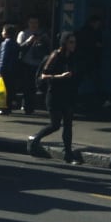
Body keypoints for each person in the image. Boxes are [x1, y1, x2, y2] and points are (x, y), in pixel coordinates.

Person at [29, 32, 82, 163]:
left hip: (68, 94)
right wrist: (60, 76)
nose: (73, 45)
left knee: (68, 124)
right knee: (55, 125)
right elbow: (43, 76)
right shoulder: (55, 56)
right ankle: (34, 139)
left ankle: (68, 154)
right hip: (54, 95)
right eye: (71, 42)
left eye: (74, 42)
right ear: (64, 43)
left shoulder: (73, 57)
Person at [16, 16, 50, 114]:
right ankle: (26, 105)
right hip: (26, 63)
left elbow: (48, 48)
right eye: (32, 22)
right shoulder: (23, 33)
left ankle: (32, 105)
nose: (34, 25)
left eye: (36, 22)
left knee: (35, 86)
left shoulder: (43, 34)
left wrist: (42, 42)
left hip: (38, 64)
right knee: (27, 85)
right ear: (28, 23)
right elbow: (18, 48)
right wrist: (28, 41)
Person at [0, 24, 19, 115]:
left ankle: (3, 108)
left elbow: (3, 58)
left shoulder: (6, 43)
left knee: (2, 89)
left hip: (5, 70)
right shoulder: (14, 43)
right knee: (9, 89)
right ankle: (8, 107)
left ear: (6, 33)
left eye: (3, 31)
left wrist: (0, 71)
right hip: (12, 70)